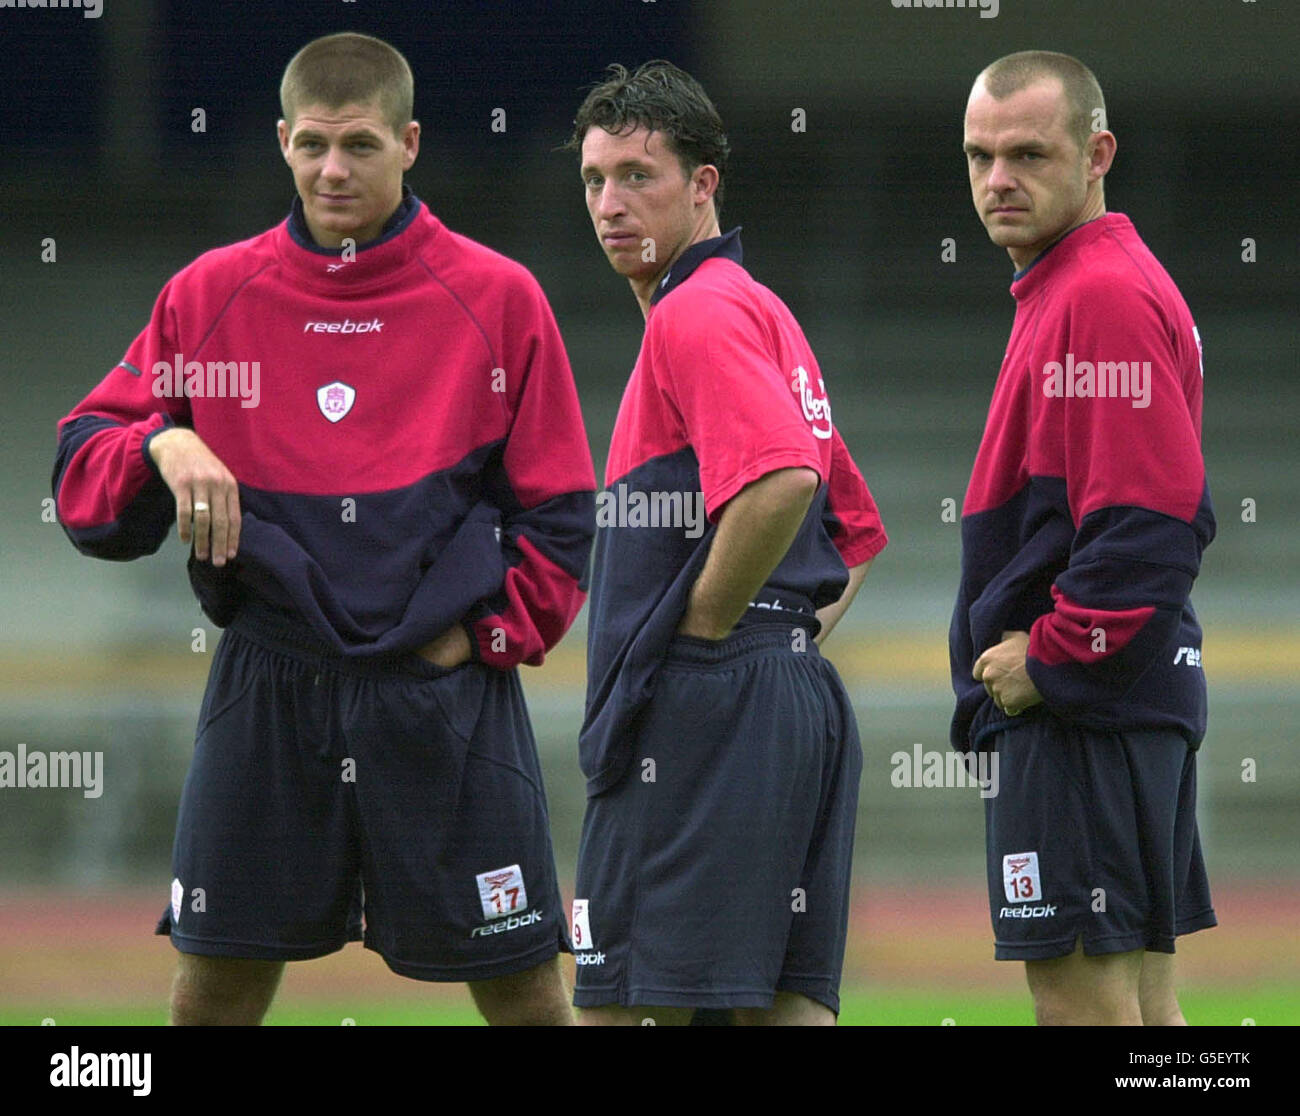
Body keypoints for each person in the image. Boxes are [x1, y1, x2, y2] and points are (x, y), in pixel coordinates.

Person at [52, 31, 595, 1026]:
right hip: (268, 684)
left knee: (524, 993)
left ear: (411, 142)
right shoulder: (209, 295)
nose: (332, 169)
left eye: (358, 145)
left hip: (442, 695)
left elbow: (560, 518)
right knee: (212, 991)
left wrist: (477, 641)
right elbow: (84, 470)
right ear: (280, 143)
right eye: (310, 145)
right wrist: (161, 450)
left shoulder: (498, 298)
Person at [564, 61, 888, 1026]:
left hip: (715, 697)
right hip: (789, 697)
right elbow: (857, 533)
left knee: (619, 1004)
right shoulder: (763, 310)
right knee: (780, 1007)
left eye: (638, 176)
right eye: (593, 180)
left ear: (704, 183)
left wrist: (710, 636)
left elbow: (787, 477)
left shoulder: (696, 312)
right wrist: (781, 638)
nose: (610, 203)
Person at [951, 50, 1216, 1025]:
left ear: (1097, 153)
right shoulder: (1079, 285)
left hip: (1083, 718)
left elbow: (1150, 524)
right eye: (978, 155)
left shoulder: (1095, 293)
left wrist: (1054, 661)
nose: (997, 180)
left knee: (1085, 1008)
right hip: (1120, 712)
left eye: (1026, 153)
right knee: (1145, 1016)